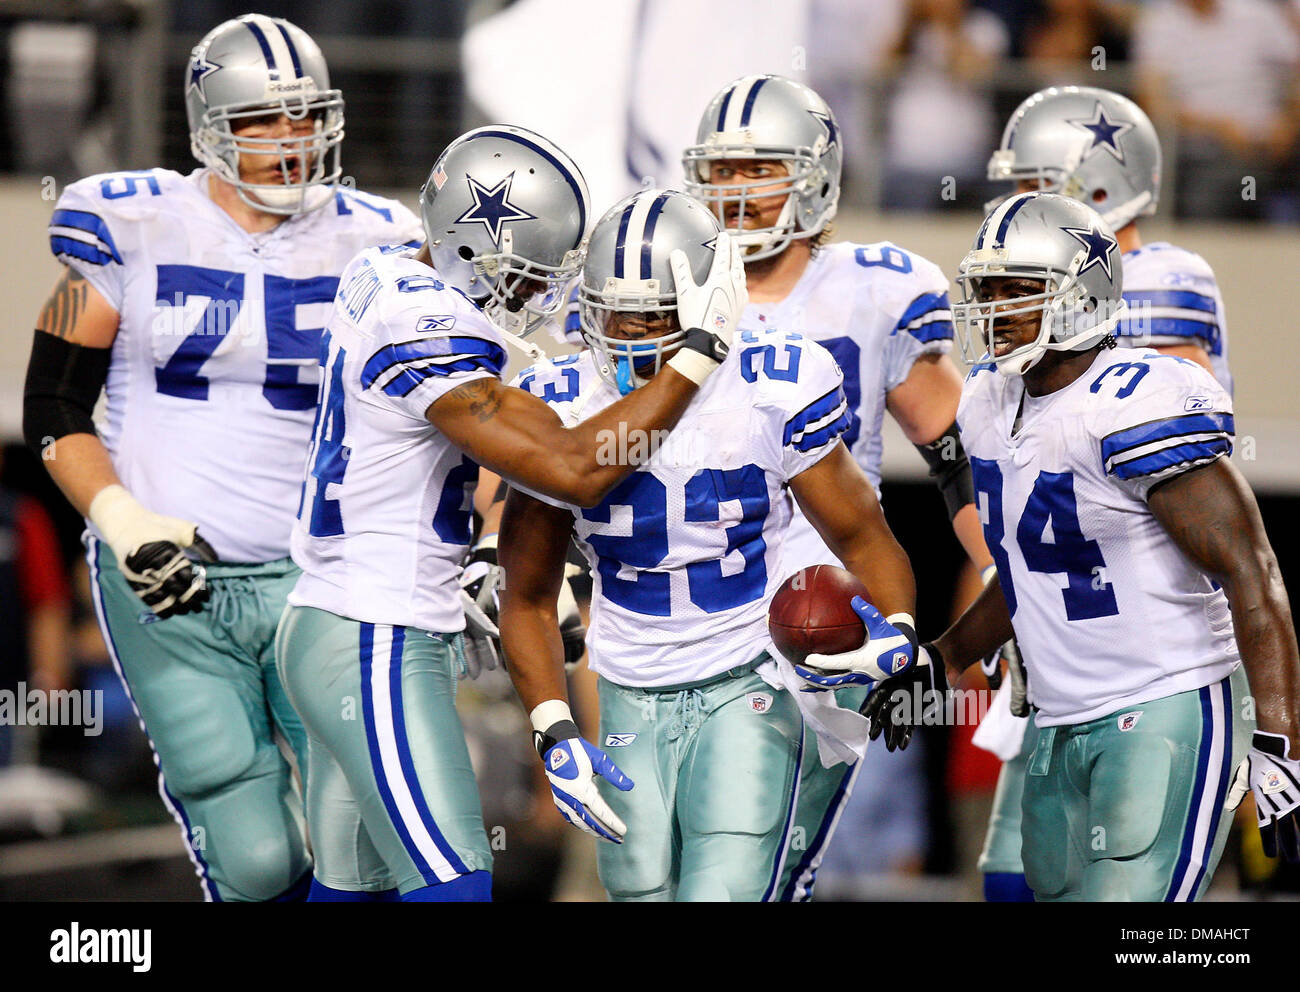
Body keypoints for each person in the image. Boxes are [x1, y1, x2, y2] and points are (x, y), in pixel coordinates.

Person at [274, 130, 745, 902]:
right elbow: (572, 469)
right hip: (375, 637)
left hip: (330, 618)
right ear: (472, 246)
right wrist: (700, 351)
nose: (535, 298)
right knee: (453, 888)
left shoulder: (384, 269)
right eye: (527, 277)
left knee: (351, 892)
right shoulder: (432, 326)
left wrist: (486, 551)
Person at [21, 14, 424, 902]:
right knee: (252, 856)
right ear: (211, 126)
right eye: (263, 122)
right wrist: (125, 526)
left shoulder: (381, 238)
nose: (291, 142)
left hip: (320, 580)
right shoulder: (130, 222)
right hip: (170, 576)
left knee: (359, 834)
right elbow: (51, 406)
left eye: (306, 118)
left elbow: (433, 415)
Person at [860, 191, 1300, 900]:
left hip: (1163, 704)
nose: (995, 309)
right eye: (987, 289)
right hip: (1060, 724)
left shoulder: (1133, 399)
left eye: (1017, 290)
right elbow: (1028, 572)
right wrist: (945, 657)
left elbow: (1253, 571)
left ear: (1080, 297)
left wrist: (1282, 742)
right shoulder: (986, 402)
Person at [495, 187, 920, 901]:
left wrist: (901, 631)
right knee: (640, 890)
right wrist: (553, 730)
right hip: (626, 683)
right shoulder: (559, 398)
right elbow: (530, 595)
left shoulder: (772, 382)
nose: (627, 332)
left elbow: (862, 534)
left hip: (746, 674)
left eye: (652, 312)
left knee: (723, 891)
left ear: (706, 305)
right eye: (611, 308)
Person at [681, 73, 993, 900]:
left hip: (823, 606)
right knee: (665, 862)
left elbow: (956, 454)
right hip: (682, 598)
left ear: (814, 175)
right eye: (722, 170)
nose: (735, 190)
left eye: (758, 169)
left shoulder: (879, 288)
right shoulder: (661, 279)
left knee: (768, 862)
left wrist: (998, 575)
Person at [978, 84, 1234, 901]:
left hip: (1140, 634)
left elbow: (1102, 422)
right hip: (1063, 630)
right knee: (1015, 877)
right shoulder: (1019, 293)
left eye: (1035, 185)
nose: (1017, 205)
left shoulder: (1161, 276)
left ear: (1094, 187)